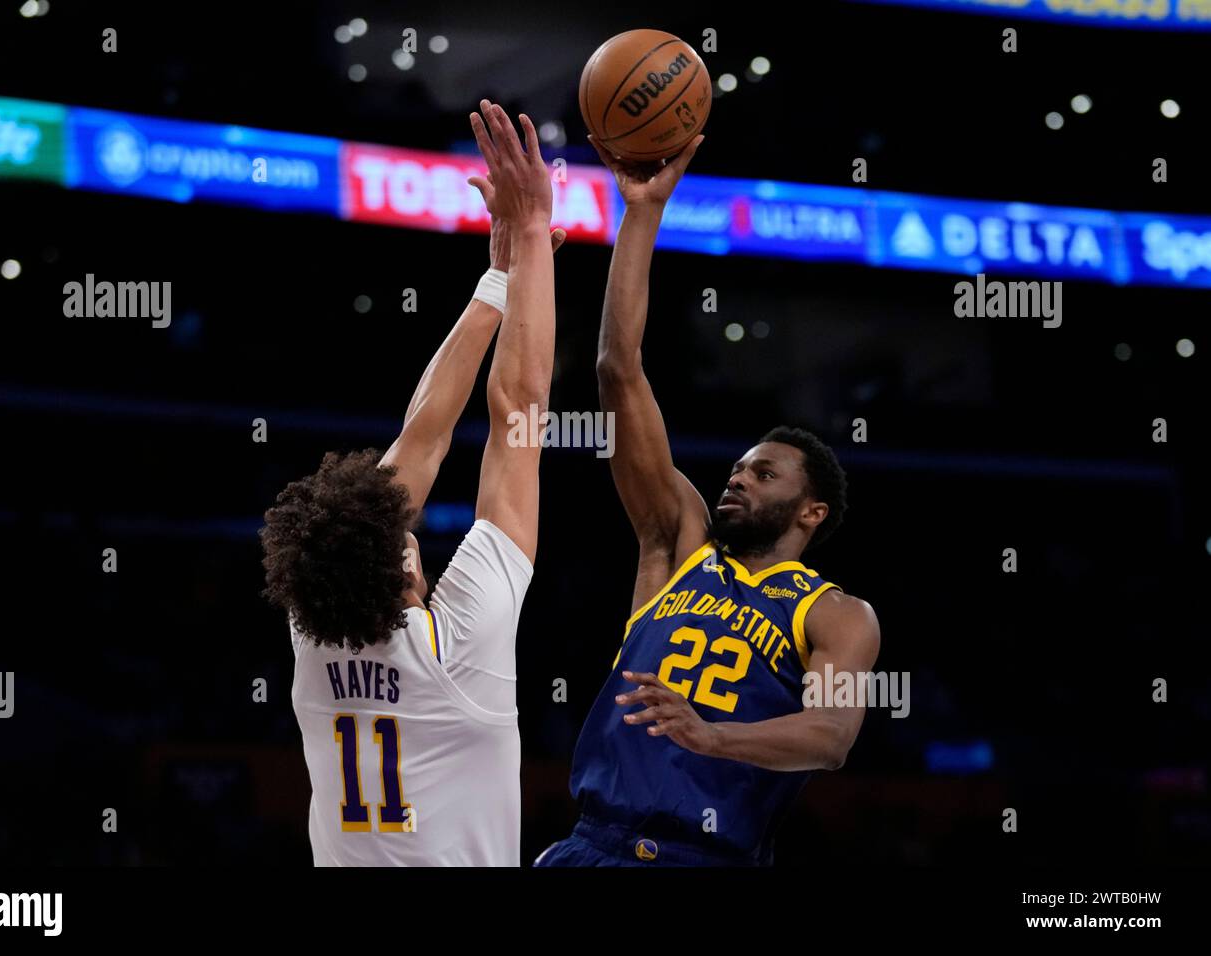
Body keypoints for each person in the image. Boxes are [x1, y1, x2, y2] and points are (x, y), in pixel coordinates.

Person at [537, 134, 881, 867]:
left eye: (763, 474)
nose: (737, 479)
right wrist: (643, 213)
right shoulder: (676, 544)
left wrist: (711, 735)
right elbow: (617, 370)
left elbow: (832, 739)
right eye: (738, 467)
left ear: (811, 511)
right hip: (588, 844)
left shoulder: (838, 614)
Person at [260, 100, 559, 865]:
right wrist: (524, 244)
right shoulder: (441, 648)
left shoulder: (317, 629)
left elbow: (483, 428)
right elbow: (462, 429)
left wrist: (507, 274)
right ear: (402, 565)